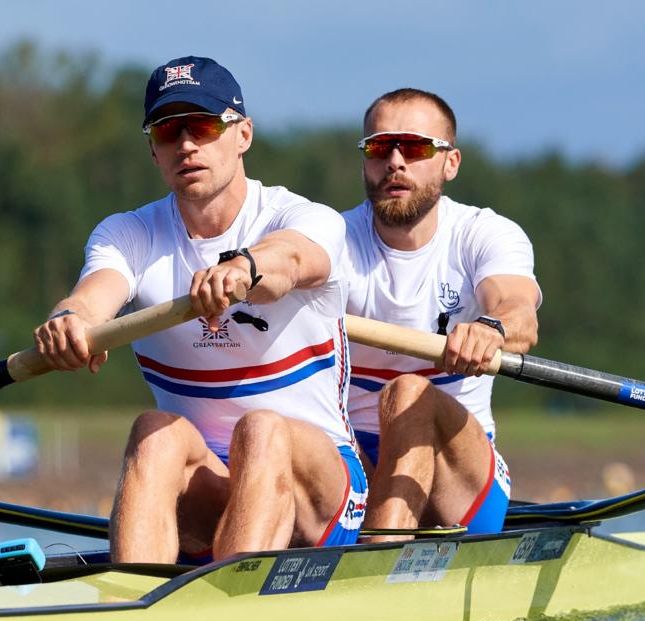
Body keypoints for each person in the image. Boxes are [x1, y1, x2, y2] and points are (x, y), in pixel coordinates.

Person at [35, 56, 366, 564]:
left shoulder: (302, 217)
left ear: (243, 135)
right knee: (152, 431)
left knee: (261, 427)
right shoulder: (130, 233)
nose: (186, 144)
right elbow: (92, 295)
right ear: (153, 150)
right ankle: (131, 608)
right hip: (213, 486)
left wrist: (245, 268)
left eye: (205, 126)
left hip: (319, 492)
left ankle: (232, 604)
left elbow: (293, 259)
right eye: (169, 131)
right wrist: (70, 323)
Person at [341, 88, 541, 539]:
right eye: (379, 147)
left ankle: (377, 563)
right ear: (365, 162)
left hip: (459, 479)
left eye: (413, 148)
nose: (395, 161)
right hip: (356, 463)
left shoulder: (483, 233)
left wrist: (491, 328)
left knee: (408, 393)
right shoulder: (333, 240)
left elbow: (519, 312)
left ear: (450, 163)